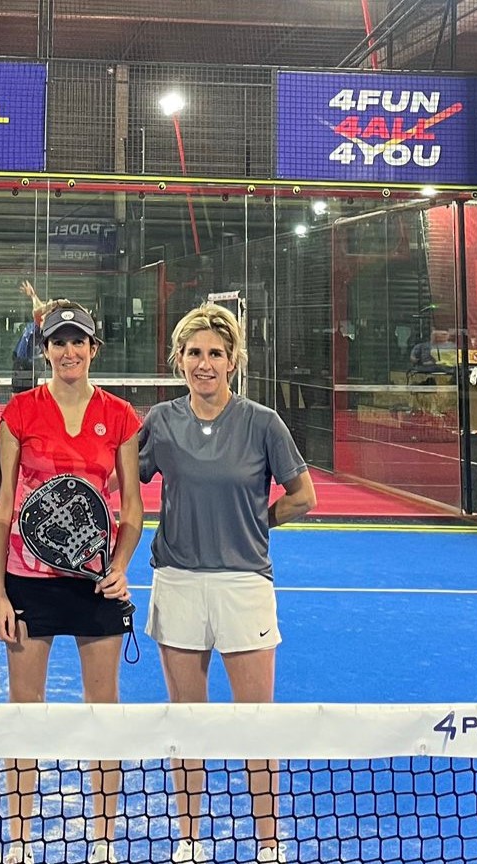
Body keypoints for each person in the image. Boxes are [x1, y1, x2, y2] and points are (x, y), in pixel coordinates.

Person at [138, 304, 317, 864]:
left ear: (234, 362)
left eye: (216, 353)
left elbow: (303, 496)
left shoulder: (263, 422)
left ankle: (269, 842)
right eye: (194, 353)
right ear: (179, 361)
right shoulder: (161, 422)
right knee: (186, 719)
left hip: (245, 586)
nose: (205, 363)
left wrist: (259, 521)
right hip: (178, 582)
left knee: (254, 722)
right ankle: (188, 838)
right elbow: (121, 477)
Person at [0, 299, 143, 864]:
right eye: (59, 342)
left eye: (79, 341)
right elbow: (3, 507)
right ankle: (21, 841)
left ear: (93, 348)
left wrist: (120, 566)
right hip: (29, 584)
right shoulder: (20, 412)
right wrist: (0, 592)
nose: (69, 351)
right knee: (24, 707)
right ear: (45, 350)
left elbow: (132, 510)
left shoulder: (121, 415)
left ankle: (103, 840)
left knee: (103, 706)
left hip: (96, 582)